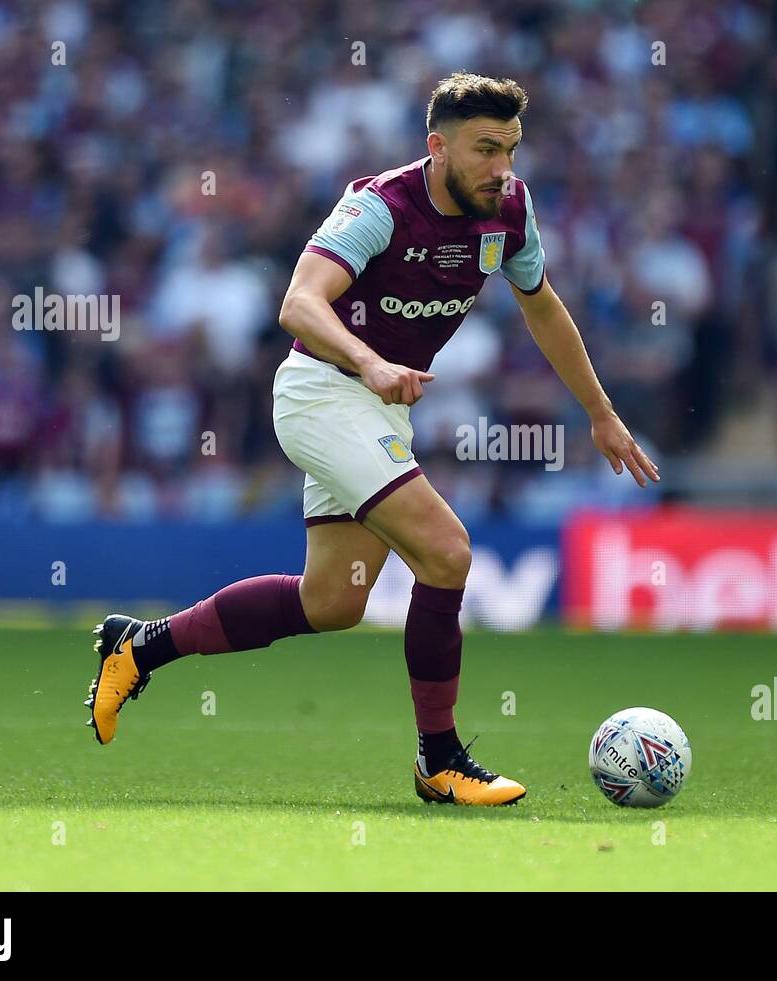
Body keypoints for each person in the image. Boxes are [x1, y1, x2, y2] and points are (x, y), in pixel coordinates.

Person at [83, 73, 659, 805]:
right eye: (485, 150)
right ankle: (439, 759)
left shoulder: (510, 210)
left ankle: (140, 646)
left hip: (381, 410)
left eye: (510, 150)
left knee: (332, 601)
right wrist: (368, 359)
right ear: (436, 146)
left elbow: (542, 307)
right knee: (447, 552)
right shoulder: (379, 206)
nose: (501, 168)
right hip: (323, 391)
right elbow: (298, 302)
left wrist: (601, 411)